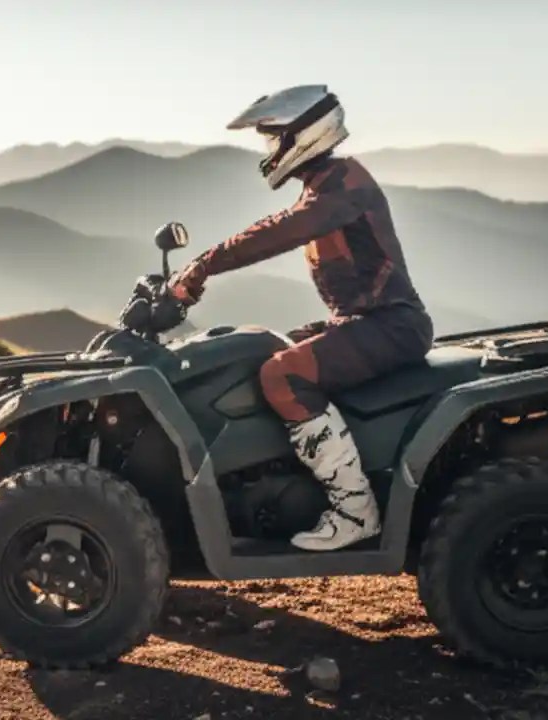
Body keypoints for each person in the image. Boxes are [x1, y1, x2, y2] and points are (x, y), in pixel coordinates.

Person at [167, 85, 433, 551]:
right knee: (263, 350)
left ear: (304, 135)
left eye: (276, 140)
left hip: (392, 325)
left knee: (280, 375)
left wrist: (203, 266)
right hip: (364, 321)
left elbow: (278, 232)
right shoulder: (326, 183)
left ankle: (355, 509)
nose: (271, 152)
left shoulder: (344, 183)